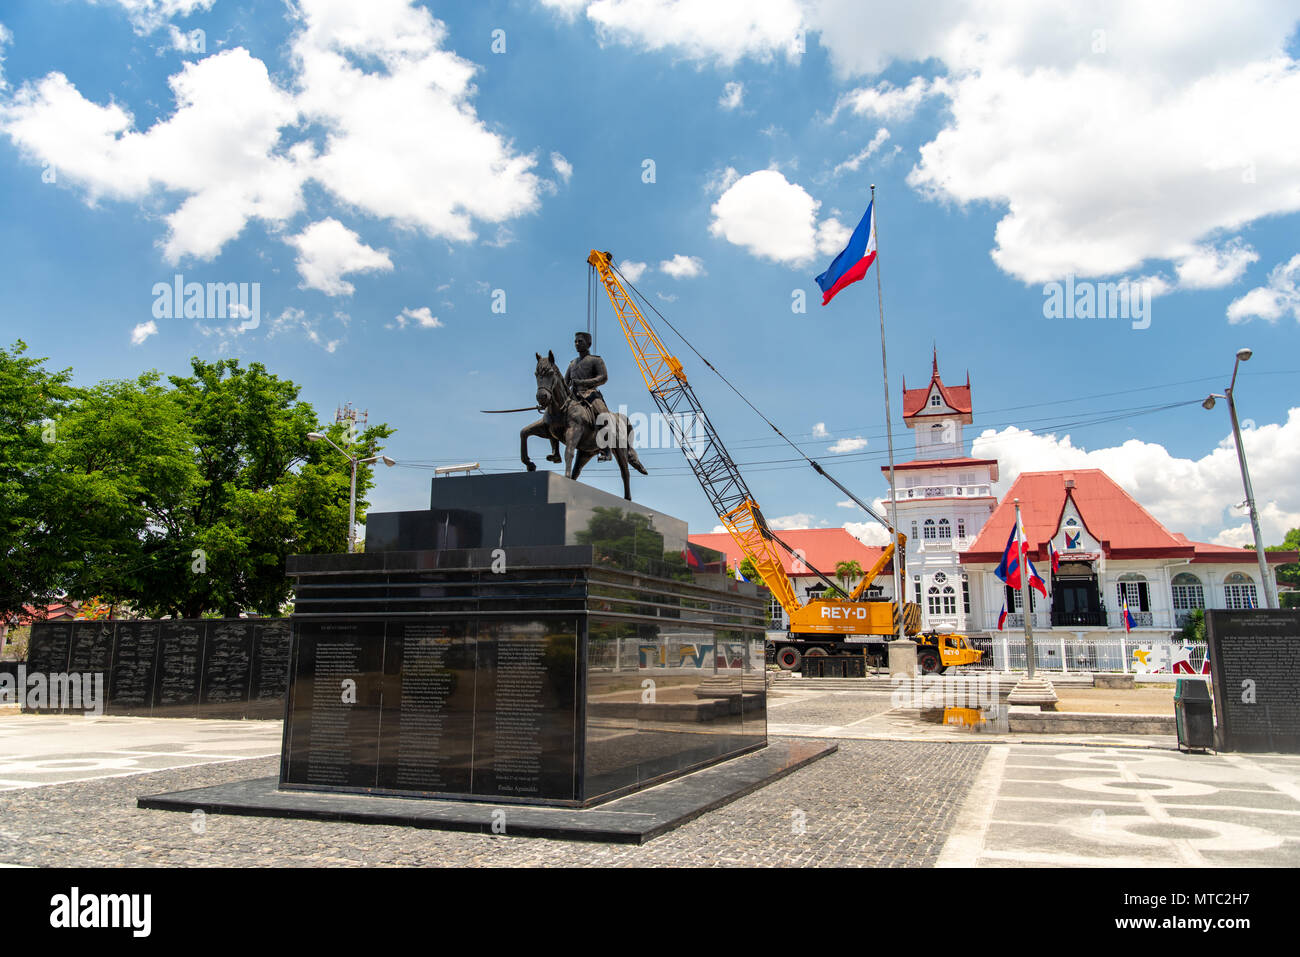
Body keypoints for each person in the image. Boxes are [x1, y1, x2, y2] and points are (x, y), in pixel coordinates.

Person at [565, 331, 614, 460]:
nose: (577, 344)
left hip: (590, 394)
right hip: (574, 396)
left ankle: (606, 449)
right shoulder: (572, 364)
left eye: (580, 341)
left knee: (603, 414)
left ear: (589, 343)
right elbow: (565, 383)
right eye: (575, 341)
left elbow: (603, 377)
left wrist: (583, 382)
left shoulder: (596, 360)